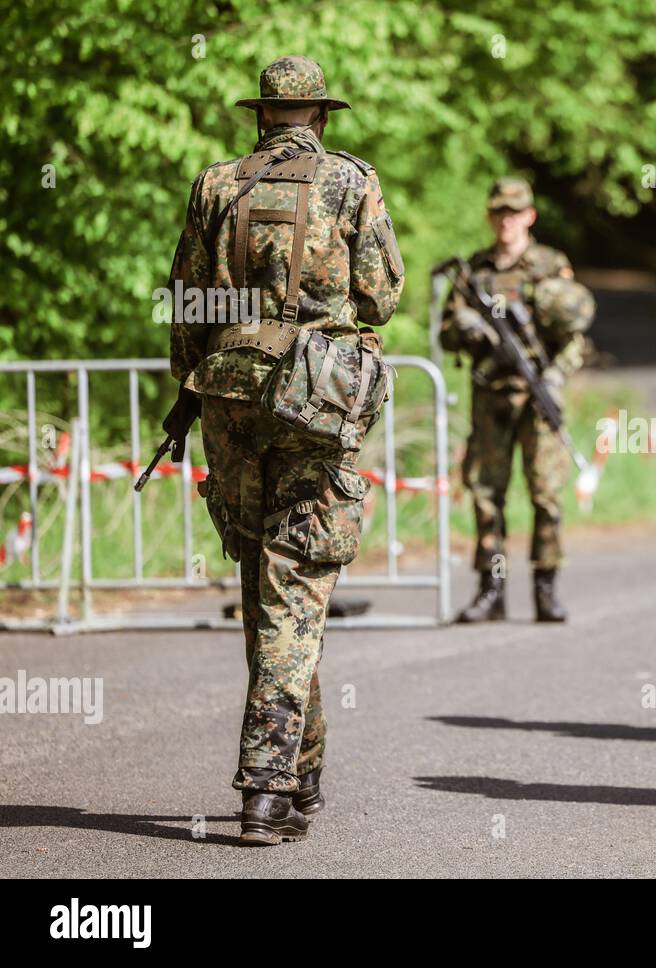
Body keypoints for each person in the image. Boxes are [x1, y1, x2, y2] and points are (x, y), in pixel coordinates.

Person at [168, 56, 404, 844]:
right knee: (295, 588)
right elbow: (382, 296)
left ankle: (300, 774)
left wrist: (193, 384)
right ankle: (266, 790)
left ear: (261, 115)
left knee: (269, 587)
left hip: (227, 393)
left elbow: (189, 301)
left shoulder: (216, 183)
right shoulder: (349, 179)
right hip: (314, 397)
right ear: (320, 115)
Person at [440, 178, 594, 624]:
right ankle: (492, 589)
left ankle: (546, 588)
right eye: (499, 212)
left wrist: (553, 377)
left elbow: (574, 338)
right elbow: (447, 332)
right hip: (491, 395)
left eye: (515, 211)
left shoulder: (549, 266)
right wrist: (470, 330)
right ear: (490, 216)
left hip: (538, 397)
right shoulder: (474, 270)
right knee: (486, 494)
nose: (506, 220)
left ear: (530, 215)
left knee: (545, 493)